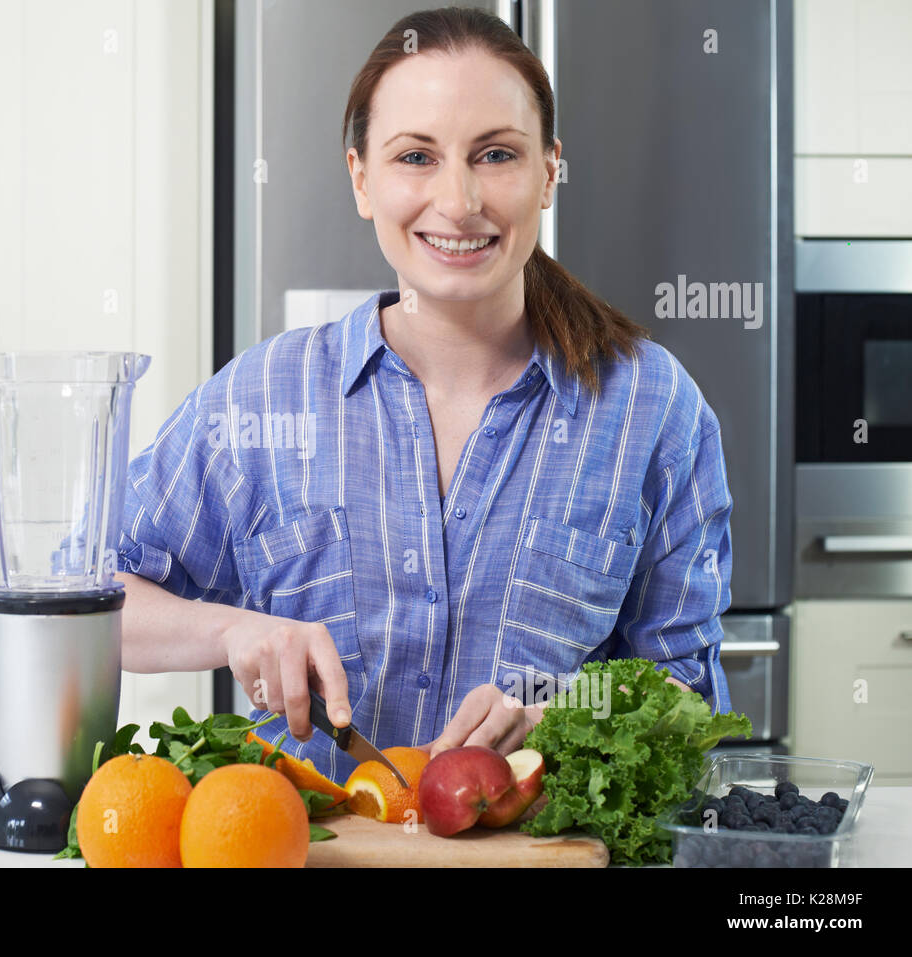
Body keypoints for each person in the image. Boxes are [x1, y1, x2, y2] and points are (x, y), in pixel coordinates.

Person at [115, 6, 733, 786]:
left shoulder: (651, 408)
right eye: (416, 156)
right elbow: (87, 596)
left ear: (548, 174)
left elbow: (691, 695)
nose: (458, 200)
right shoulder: (261, 398)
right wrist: (233, 629)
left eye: (496, 154)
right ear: (362, 178)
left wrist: (559, 706)